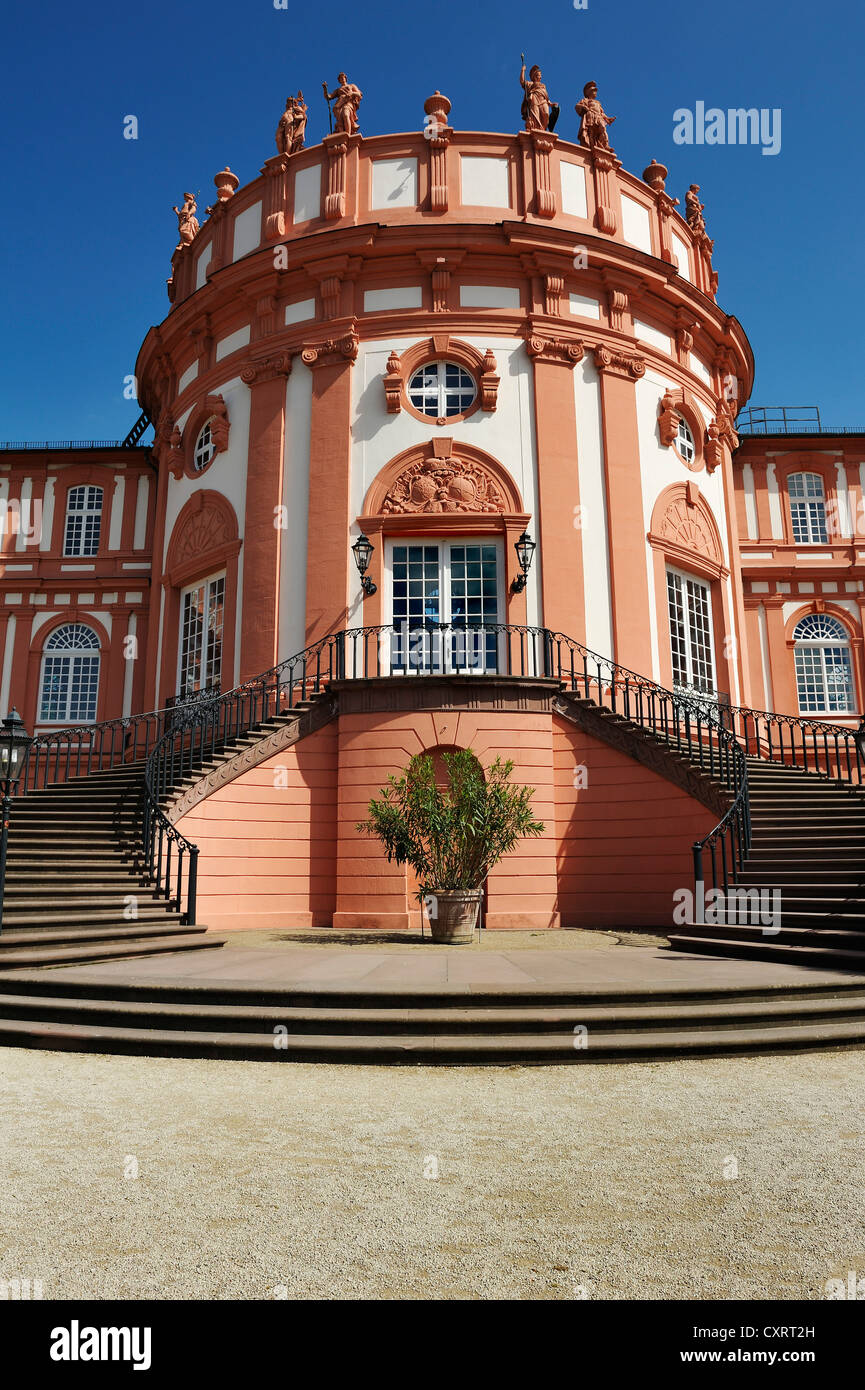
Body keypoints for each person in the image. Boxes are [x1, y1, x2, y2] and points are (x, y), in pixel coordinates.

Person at [519, 55, 556, 132]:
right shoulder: (530, 84)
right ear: (535, 76)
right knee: (535, 116)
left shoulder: (543, 85)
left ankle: (543, 129)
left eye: (540, 75)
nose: (541, 77)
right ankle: (537, 131)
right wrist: (523, 70)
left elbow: (546, 96)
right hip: (534, 100)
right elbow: (522, 82)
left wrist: (550, 103)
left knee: (546, 114)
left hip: (543, 101)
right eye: (539, 75)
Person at [575, 81, 615, 150]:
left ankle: (605, 144)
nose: (595, 93)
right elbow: (577, 106)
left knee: (602, 128)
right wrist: (584, 107)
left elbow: (602, 113)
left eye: (595, 91)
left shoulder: (598, 103)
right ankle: (591, 145)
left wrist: (608, 119)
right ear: (589, 92)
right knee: (591, 132)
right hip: (590, 117)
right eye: (594, 91)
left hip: (598, 117)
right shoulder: (585, 100)